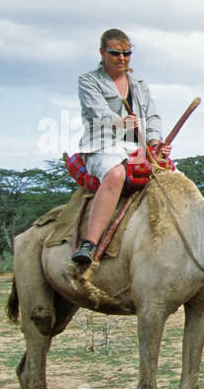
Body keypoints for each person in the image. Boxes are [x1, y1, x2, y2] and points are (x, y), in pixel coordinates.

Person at [71, 29, 172, 266]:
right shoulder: (88, 80)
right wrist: (121, 122)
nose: (122, 58)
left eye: (127, 53)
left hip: (137, 147)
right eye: (115, 53)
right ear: (102, 53)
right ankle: (90, 242)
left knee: (174, 178)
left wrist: (156, 141)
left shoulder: (140, 85)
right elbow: (99, 112)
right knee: (116, 174)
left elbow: (153, 116)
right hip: (102, 145)